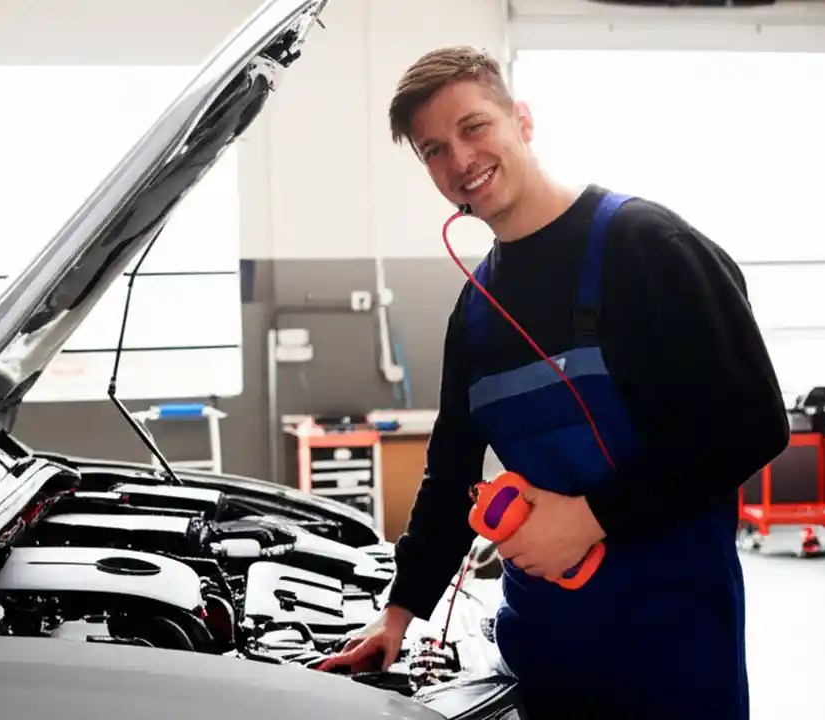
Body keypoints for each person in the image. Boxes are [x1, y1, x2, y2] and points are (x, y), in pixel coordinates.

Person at [317, 46, 789, 719]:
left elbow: (752, 423)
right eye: (433, 151)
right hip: (544, 651)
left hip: (672, 649)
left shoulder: (648, 245)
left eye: (473, 128)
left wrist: (592, 518)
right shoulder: (476, 310)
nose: (460, 161)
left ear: (523, 120)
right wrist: (399, 612)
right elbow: (450, 475)